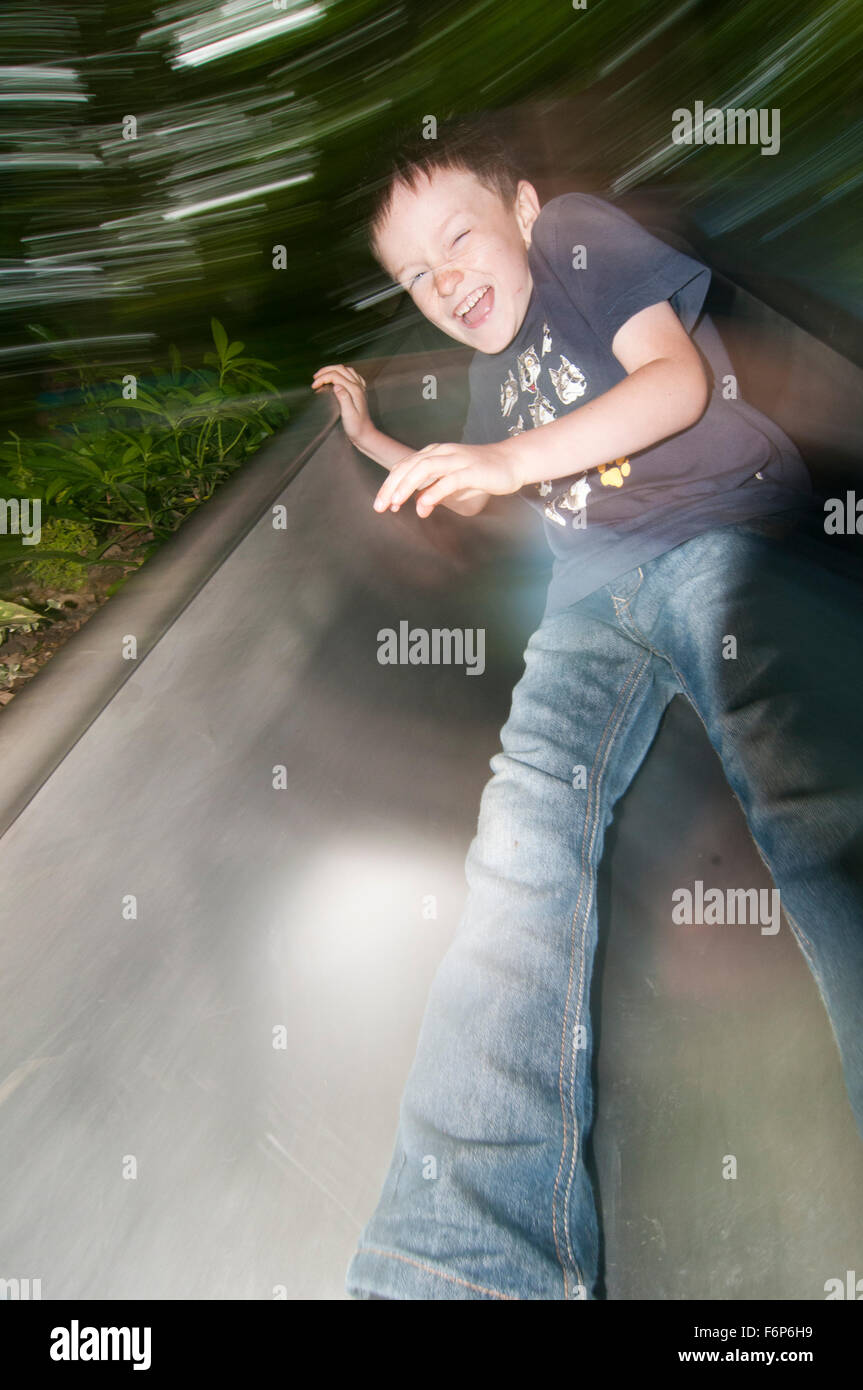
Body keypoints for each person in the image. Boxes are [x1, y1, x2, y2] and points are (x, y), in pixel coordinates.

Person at [312, 119, 863, 1300]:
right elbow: (476, 465)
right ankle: (450, 1264)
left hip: (722, 539)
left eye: (456, 235)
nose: (443, 278)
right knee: (515, 849)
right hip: (588, 607)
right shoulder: (484, 377)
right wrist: (366, 432)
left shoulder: (572, 239)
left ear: (515, 209)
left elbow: (670, 381)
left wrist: (510, 463)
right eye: (412, 273)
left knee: (801, 787)